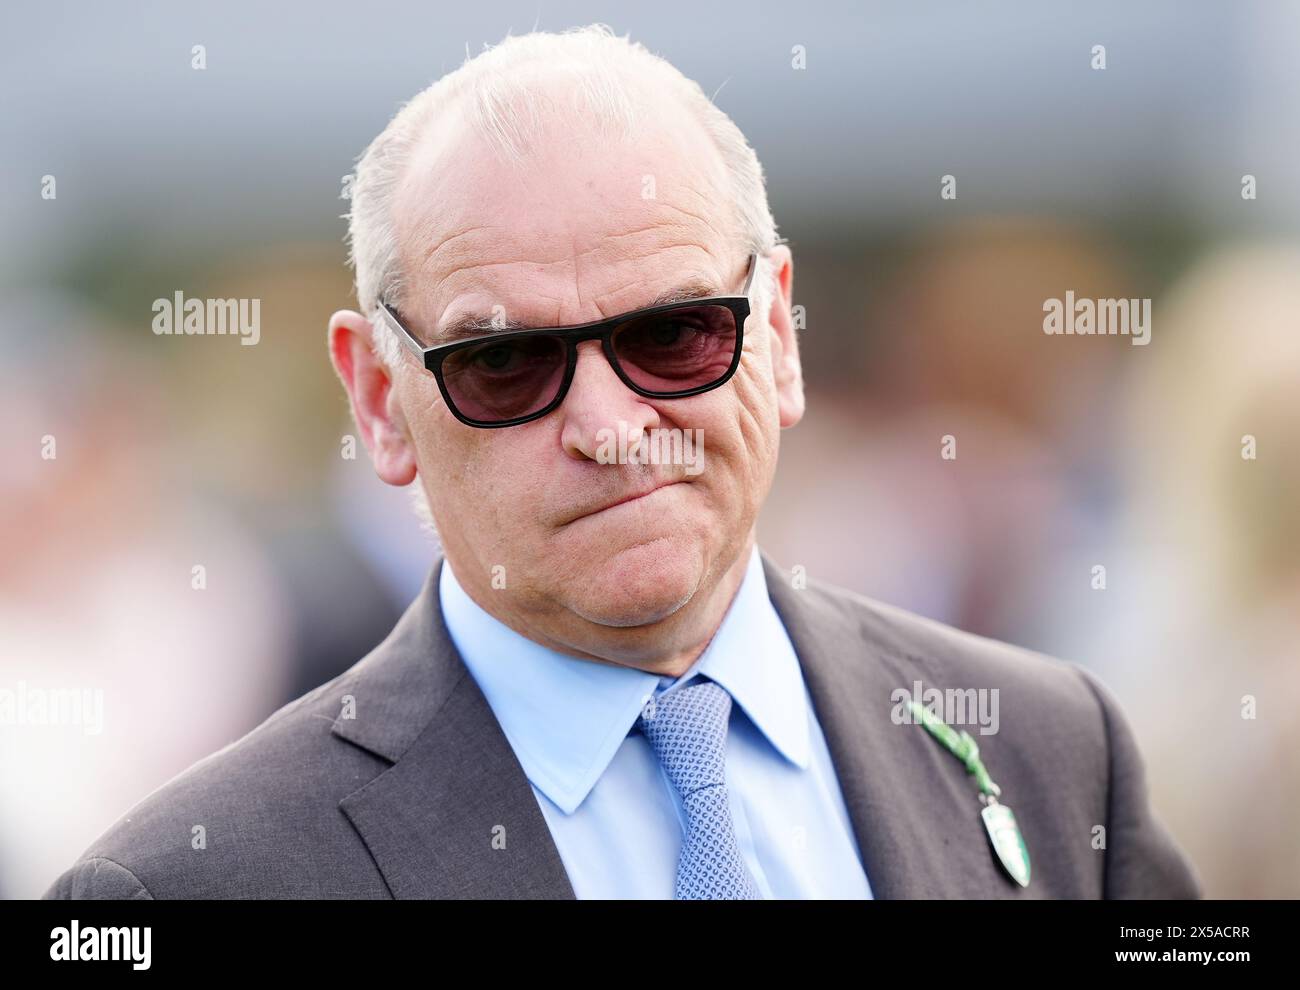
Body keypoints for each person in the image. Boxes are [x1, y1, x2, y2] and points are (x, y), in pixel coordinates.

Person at [44, 24, 1200, 900]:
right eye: (505, 362)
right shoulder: (187, 887)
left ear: (779, 336)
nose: (610, 424)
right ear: (380, 402)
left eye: (674, 334)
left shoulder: (1050, 750)